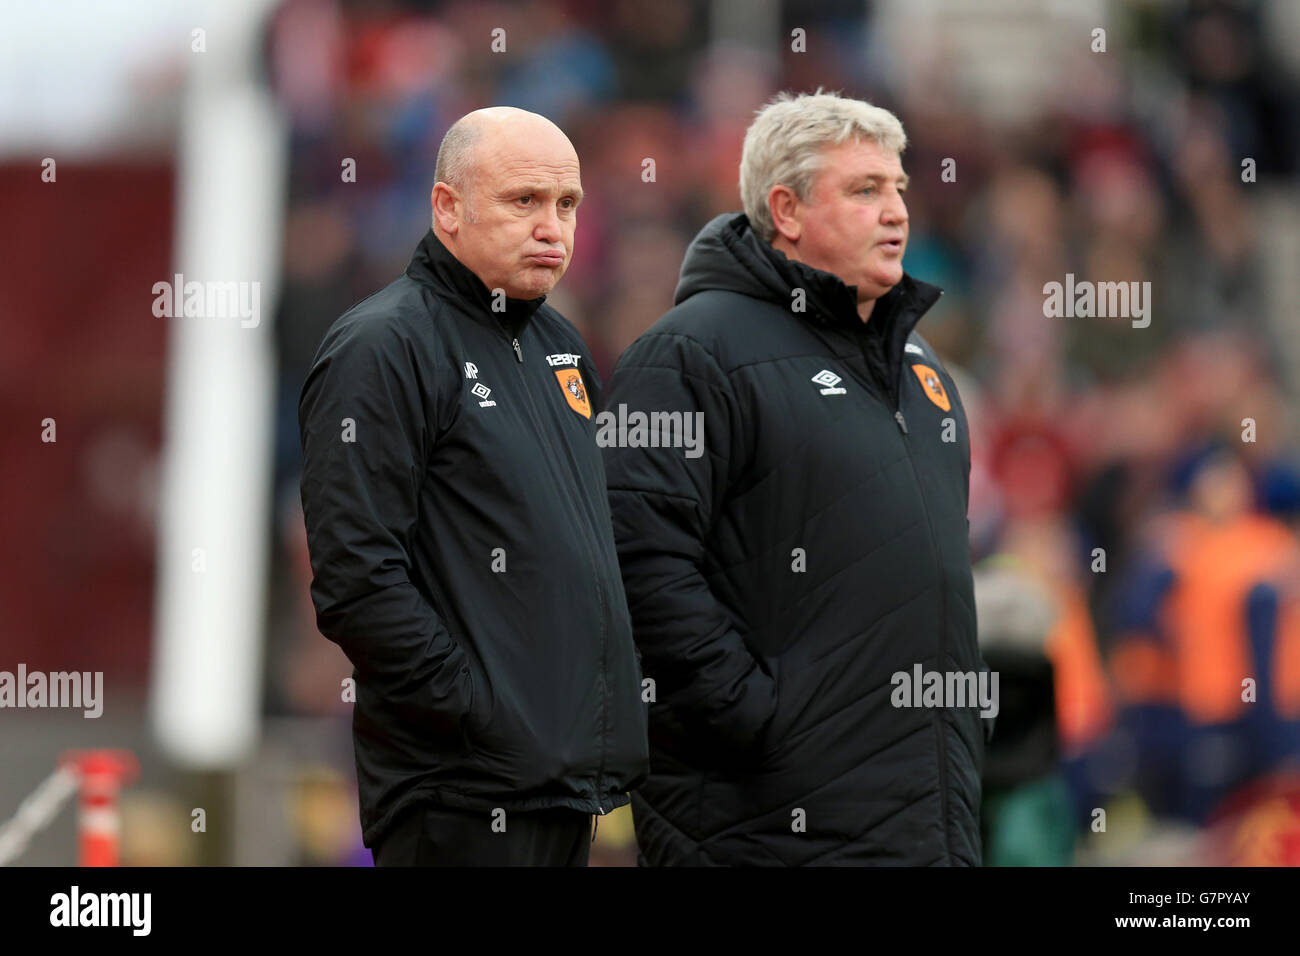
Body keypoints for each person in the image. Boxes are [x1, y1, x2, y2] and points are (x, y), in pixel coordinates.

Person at [602, 90, 989, 865]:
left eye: (899, 189)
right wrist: (759, 716)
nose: (897, 213)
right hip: (767, 826)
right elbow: (634, 561)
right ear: (786, 209)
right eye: (865, 190)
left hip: (927, 822)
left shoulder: (925, 374)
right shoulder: (690, 354)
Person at [298, 107, 647, 866]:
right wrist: (479, 710)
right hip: (458, 795)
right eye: (524, 201)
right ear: (447, 207)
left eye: (567, 205)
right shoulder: (382, 347)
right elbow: (357, 580)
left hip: (561, 783)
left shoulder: (561, 346)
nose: (552, 226)